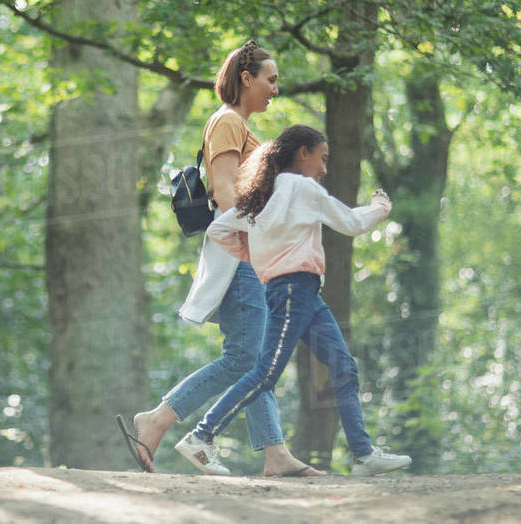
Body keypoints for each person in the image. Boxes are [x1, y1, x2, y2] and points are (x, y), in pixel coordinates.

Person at [126, 41, 322, 477]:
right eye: (270, 80)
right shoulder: (228, 122)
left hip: (250, 253)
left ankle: (274, 454)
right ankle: (158, 419)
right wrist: (259, 245)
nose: (276, 88)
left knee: (255, 357)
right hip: (241, 254)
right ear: (246, 79)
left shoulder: (241, 127)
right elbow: (223, 190)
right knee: (246, 358)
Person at [174, 124, 412, 477]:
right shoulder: (302, 187)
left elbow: (218, 229)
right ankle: (200, 437)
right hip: (292, 292)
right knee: (265, 373)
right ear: (303, 152)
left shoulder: (262, 192)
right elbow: (348, 222)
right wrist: (380, 207)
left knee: (343, 365)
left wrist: (254, 252)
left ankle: (363, 454)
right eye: (323, 158)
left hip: (303, 293)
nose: (325, 168)